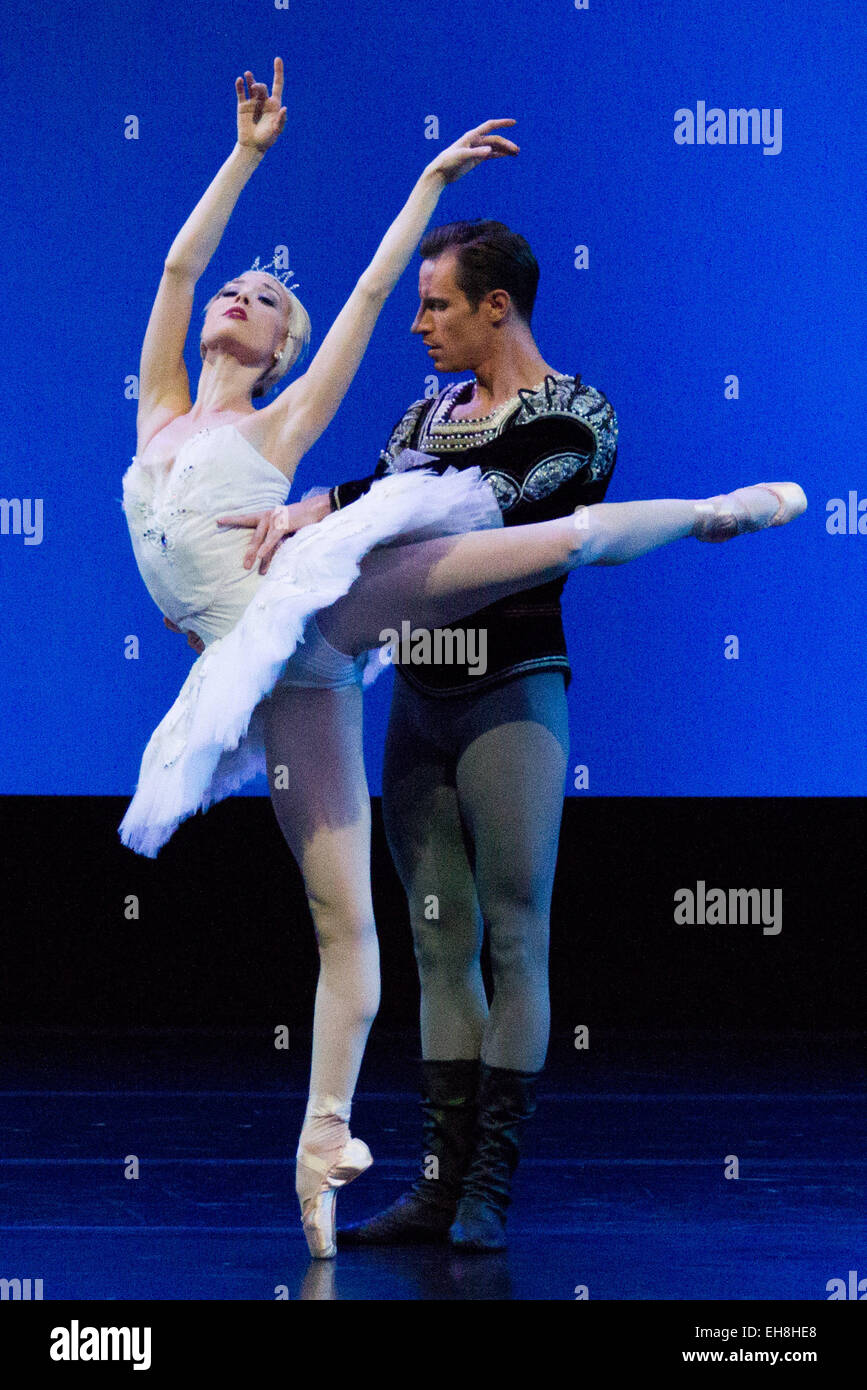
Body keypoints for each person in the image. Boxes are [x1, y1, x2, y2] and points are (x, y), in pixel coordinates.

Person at [124, 59, 807, 1261]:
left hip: (492, 675)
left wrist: (332, 507)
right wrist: (330, 503)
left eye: (443, 307)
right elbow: (190, 283)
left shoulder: (567, 413)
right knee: (395, 935)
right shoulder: (341, 415)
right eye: (240, 289)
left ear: (494, 307)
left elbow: (466, 480)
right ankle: (383, 1170)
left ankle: (718, 512)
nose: (425, 324)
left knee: (512, 918)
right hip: (376, 679)